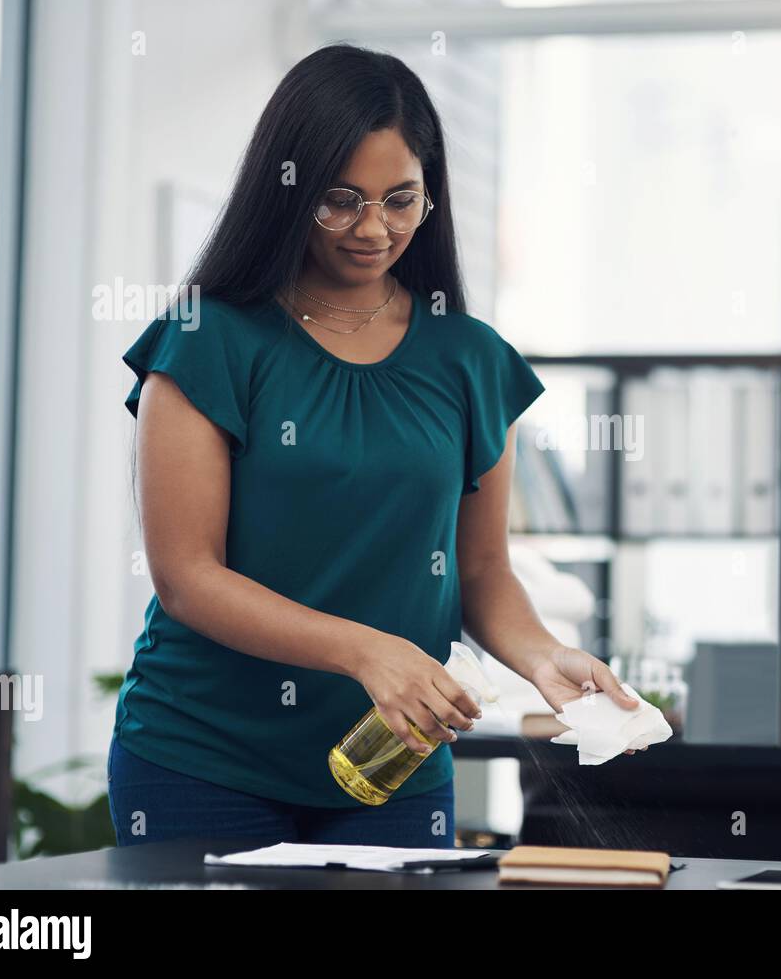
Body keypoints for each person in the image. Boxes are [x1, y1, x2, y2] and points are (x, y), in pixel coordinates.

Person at [107, 44, 641, 850]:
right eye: (341, 200)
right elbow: (187, 576)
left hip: (394, 766)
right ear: (286, 189)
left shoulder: (469, 358)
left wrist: (543, 657)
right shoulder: (207, 340)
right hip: (203, 759)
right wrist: (367, 652)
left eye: (401, 200)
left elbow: (483, 572)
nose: (373, 228)